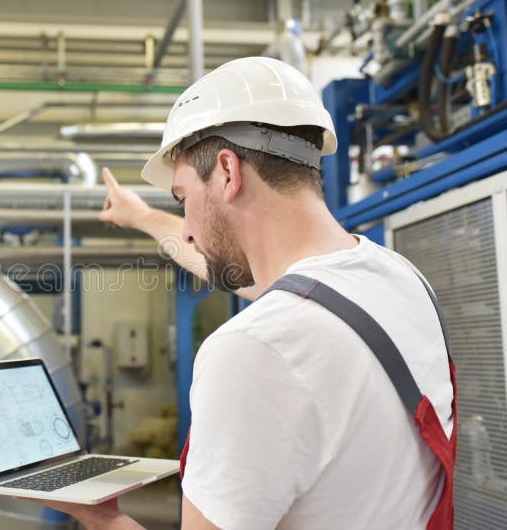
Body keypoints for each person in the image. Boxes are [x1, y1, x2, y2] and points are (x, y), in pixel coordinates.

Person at [31, 57, 456, 529]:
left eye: (182, 199)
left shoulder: (256, 350)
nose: (188, 229)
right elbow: (250, 276)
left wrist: (104, 519)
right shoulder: (396, 278)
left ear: (228, 173)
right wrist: (142, 217)